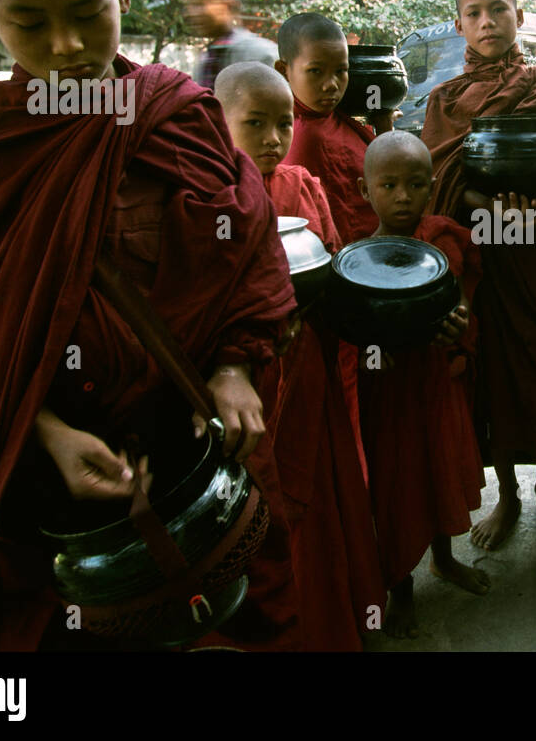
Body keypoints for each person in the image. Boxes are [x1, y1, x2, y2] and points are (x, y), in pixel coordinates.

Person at [0, 0, 296, 651]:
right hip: (61, 489)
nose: (64, 45)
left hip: (195, 449)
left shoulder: (178, 115)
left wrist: (233, 366)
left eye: (87, 13)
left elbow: (252, 249)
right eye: (29, 22)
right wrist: (46, 431)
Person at [421, 0, 536, 550]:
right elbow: (436, 181)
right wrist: (490, 203)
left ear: (519, 17)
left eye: (498, 8)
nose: (487, 21)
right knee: (491, 372)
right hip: (484, 257)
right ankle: (509, 496)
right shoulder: (445, 102)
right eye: (474, 13)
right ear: (459, 25)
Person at [214, 60, 385, 650]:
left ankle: (337, 622)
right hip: (249, 380)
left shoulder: (301, 184)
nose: (270, 138)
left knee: (324, 493)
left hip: (310, 360)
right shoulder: (208, 194)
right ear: (219, 121)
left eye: (282, 123)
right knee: (267, 507)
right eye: (253, 123)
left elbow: (335, 259)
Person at [354, 130, 489, 638]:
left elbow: (461, 299)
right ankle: (400, 586)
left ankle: (444, 559)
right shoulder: (358, 260)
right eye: (389, 185)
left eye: (415, 184)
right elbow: (355, 334)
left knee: (439, 470)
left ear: (432, 188)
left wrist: (460, 323)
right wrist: (375, 354)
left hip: (435, 382)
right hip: (388, 395)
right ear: (365, 191)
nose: (403, 196)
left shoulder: (442, 239)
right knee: (398, 487)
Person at [276, 12, 379, 245]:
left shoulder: (337, 118)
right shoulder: (297, 135)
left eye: (341, 71)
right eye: (315, 71)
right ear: (284, 71)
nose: (331, 84)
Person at [183, 0, 278, 90]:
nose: (191, 14)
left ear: (228, 5)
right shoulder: (205, 60)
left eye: (199, 5)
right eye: (188, 6)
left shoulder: (261, 55)